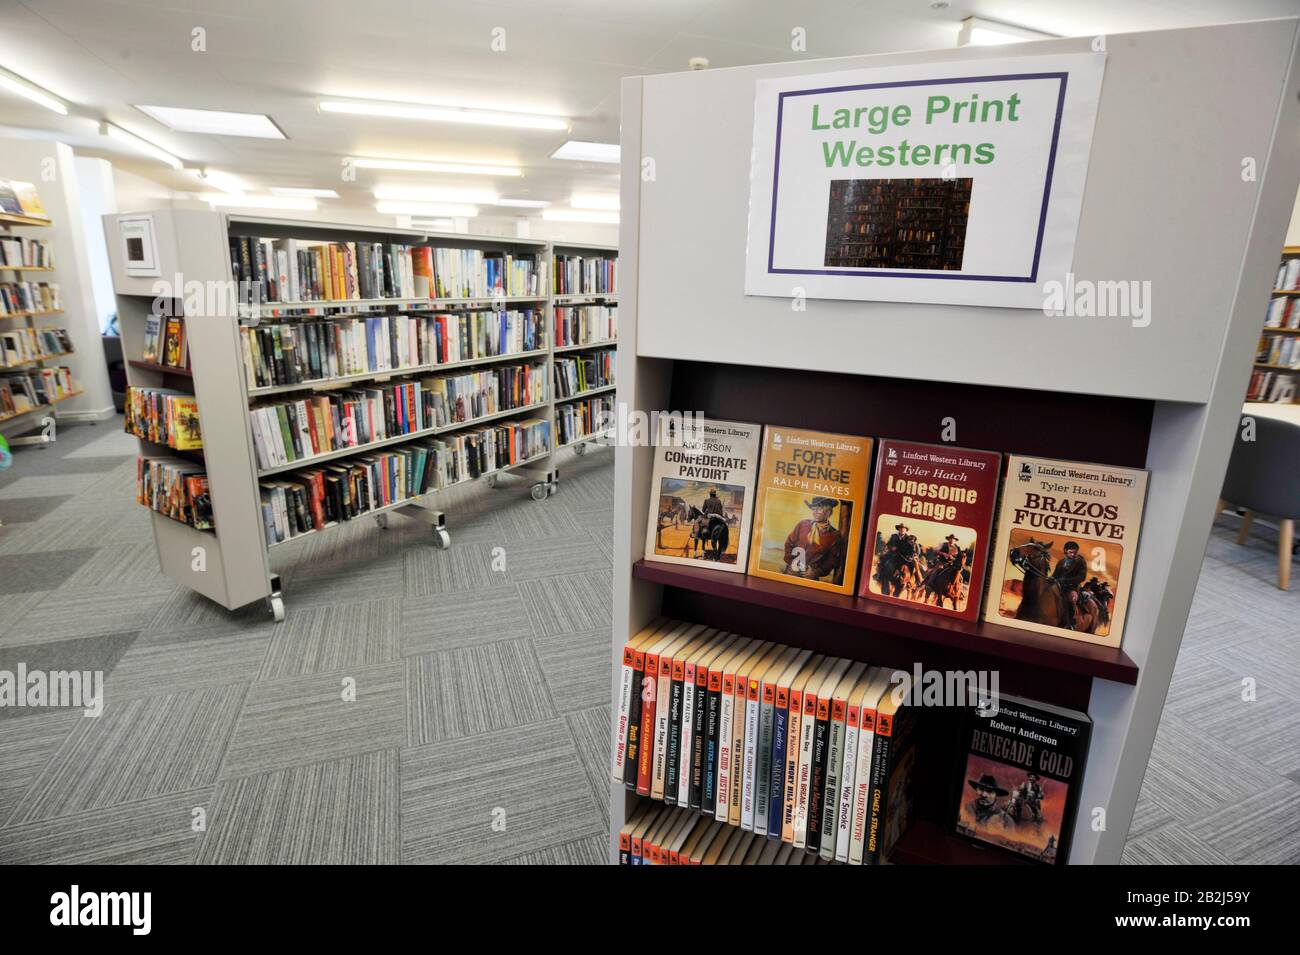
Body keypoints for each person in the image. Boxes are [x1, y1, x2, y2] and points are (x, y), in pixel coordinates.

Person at [782, 496, 845, 581]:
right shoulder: (803, 524)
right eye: (813, 509)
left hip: (810, 577)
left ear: (828, 512)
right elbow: (789, 543)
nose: (814, 512)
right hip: (791, 572)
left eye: (818, 509)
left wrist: (816, 572)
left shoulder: (834, 535)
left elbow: (831, 560)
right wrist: (791, 562)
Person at [1052, 540, 1088, 629]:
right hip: (1058, 585)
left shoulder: (1080, 562)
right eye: (1071, 552)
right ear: (1065, 551)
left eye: (1075, 552)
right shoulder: (1061, 562)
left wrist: (1065, 580)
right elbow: (1055, 575)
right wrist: (1051, 578)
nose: (1073, 554)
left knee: (1071, 599)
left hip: (1072, 587)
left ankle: (1070, 623)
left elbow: (1081, 577)